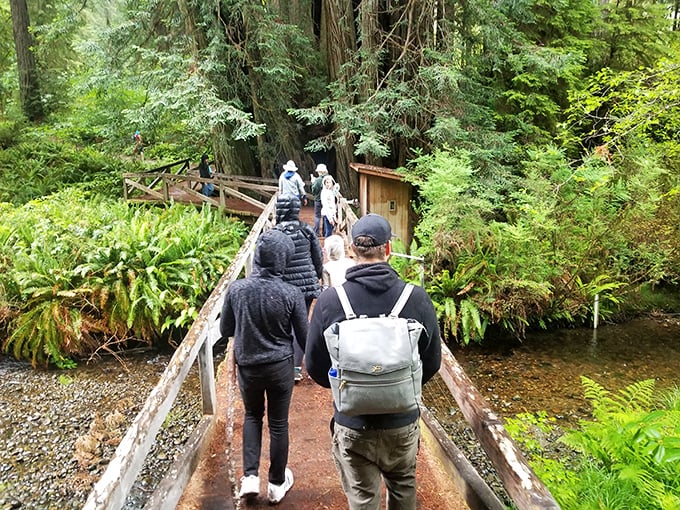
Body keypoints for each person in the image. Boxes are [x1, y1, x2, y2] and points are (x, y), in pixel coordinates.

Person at [305, 213, 442, 510]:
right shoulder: (415, 299)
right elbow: (431, 363)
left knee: (363, 497)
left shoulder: (331, 300)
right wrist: (395, 385)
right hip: (401, 423)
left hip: (353, 424)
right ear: (388, 249)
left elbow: (314, 367)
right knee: (403, 485)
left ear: (353, 249)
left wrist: (355, 386)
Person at [219, 229, 306, 504]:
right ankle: (277, 484)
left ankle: (250, 478)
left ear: (258, 256)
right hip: (280, 367)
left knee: (252, 416)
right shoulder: (292, 293)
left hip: (248, 366)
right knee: (279, 424)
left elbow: (226, 328)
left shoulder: (238, 289)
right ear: (283, 260)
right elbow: (304, 337)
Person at [274, 195, 324, 382]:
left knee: (283, 323)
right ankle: (296, 366)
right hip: (305, 285)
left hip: (283, 287)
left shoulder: (274, 233)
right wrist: (316, 276)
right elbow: (317, 256)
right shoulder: (306, 230)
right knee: (300, 324)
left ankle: (284, 362)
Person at [311, 164, 329, 236]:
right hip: (327, 201)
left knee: (317, 216)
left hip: (318, 200)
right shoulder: (329, 179)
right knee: (325, 216)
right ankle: (325, 232)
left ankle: (316, 232)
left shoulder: (318, 180)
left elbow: (314, 191)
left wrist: (313, 183)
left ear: (320, 172)